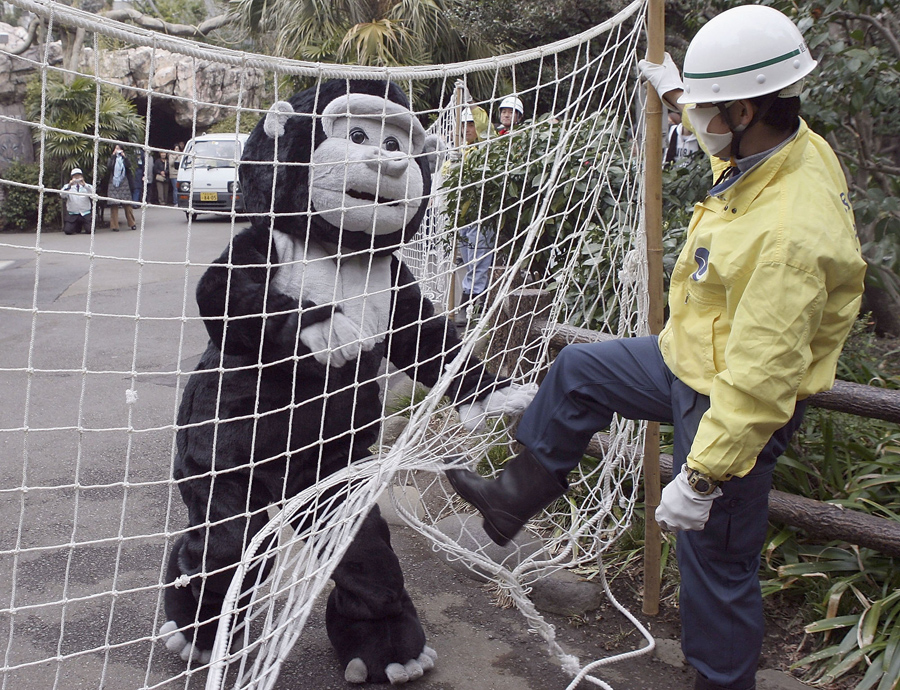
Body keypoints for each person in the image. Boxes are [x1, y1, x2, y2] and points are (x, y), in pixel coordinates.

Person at [445, 6, 867, 690]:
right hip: (685, 356)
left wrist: (699, 480)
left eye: (708, 112)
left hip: (732, 402)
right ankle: (511, 498)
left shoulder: (792, 231)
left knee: (714, 561)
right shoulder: (779, 144)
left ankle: (721, 681)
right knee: (580, 368)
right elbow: (729, 148)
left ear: (746, 107)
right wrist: (677, 92)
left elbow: (761, 381)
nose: (699, 123)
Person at [453, 107, 495, 325]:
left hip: (483, 214)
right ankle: (472, 300)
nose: (467, 129)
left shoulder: (489, 148)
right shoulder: (463, 150)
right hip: (463, 216)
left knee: (479, 262)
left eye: (471, 124)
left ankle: (471, 304)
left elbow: (485, 127)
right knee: (469, 262)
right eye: (464, 125)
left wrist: (472, 106)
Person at [105, 144, 136, 232]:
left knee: (127, 205)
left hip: (124, 182)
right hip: (113, 183)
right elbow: (109, 167)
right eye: (116, 148)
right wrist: (113, 156)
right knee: (114, 205)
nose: (117, 150)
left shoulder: (124, 158)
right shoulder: (112, 158)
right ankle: (114, 226)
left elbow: (129, 165)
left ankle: (132, 223)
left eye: (119, 148)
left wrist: (124, 157)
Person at [60, 167, 94, 235]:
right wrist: (69, 185)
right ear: (72, 177)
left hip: (85, 213)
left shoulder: (88, 186)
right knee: (68, 231)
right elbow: (62, 195)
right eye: (75, 176)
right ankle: (77, 226)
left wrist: (84, 185)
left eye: (79, 176)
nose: (77, 178)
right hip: (73, 213)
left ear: (82, 176)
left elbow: (93, 195)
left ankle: (82, 225)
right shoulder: (67, 186)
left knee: (90, 230)